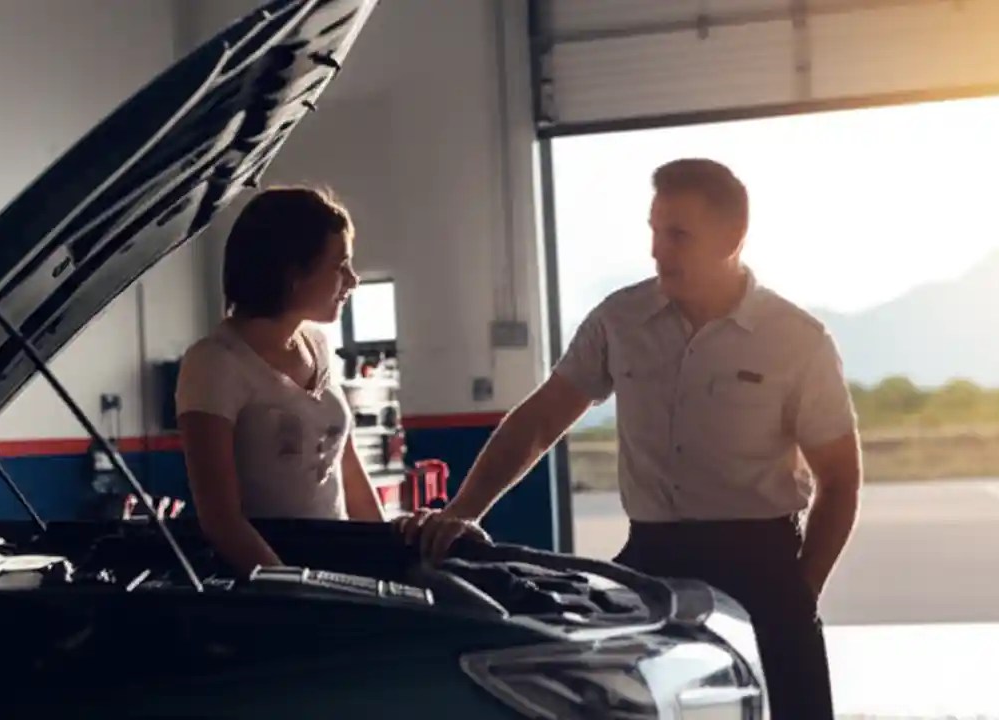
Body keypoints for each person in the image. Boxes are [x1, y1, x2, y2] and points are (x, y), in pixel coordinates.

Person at [402, 158, 862, 719]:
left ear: (732, 238)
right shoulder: (619, 321)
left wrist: (797, 595)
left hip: (762, 564)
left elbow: (840, 479)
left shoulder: (797, 340)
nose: (657, 250)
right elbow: (541, 419)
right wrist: (464, 510)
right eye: (654, 230)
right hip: (653, 562)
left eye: (678, 235)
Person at [175, 186, 486, 575]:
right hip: (266, 583)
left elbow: (349, 470)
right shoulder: (214, 363)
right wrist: (293, 588)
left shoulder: (319, 346)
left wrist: (386, 556)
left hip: (338, 561)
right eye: (340, 266)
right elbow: (221, 520)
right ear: (292, 273)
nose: (352, 280)